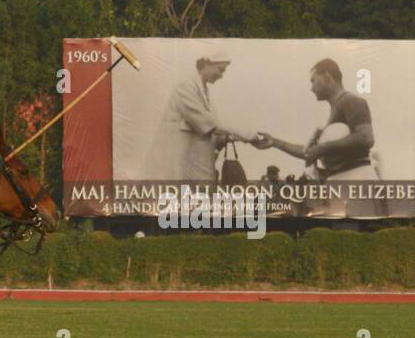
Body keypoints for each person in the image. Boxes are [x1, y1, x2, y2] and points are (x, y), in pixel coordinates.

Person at [250, 58, 381, 216]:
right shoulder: (335, 111)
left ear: (327, 76)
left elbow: (366, 137)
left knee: (360, 237)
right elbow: (310, 153)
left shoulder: (351, 101)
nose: (311, 88)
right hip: (342, 186)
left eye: (313, 81)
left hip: (357, 180)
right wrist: (275, 143)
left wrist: (323, 148)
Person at [143, 51, 248, 182]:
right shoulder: (186, 86)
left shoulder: (204, 92)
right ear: (207, 64)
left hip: (196, 165)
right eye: (220, 70)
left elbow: (212, 133)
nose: (221, 76)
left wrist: (235, 138)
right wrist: (242, 134)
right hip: (178, 163)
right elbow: (207, 124)